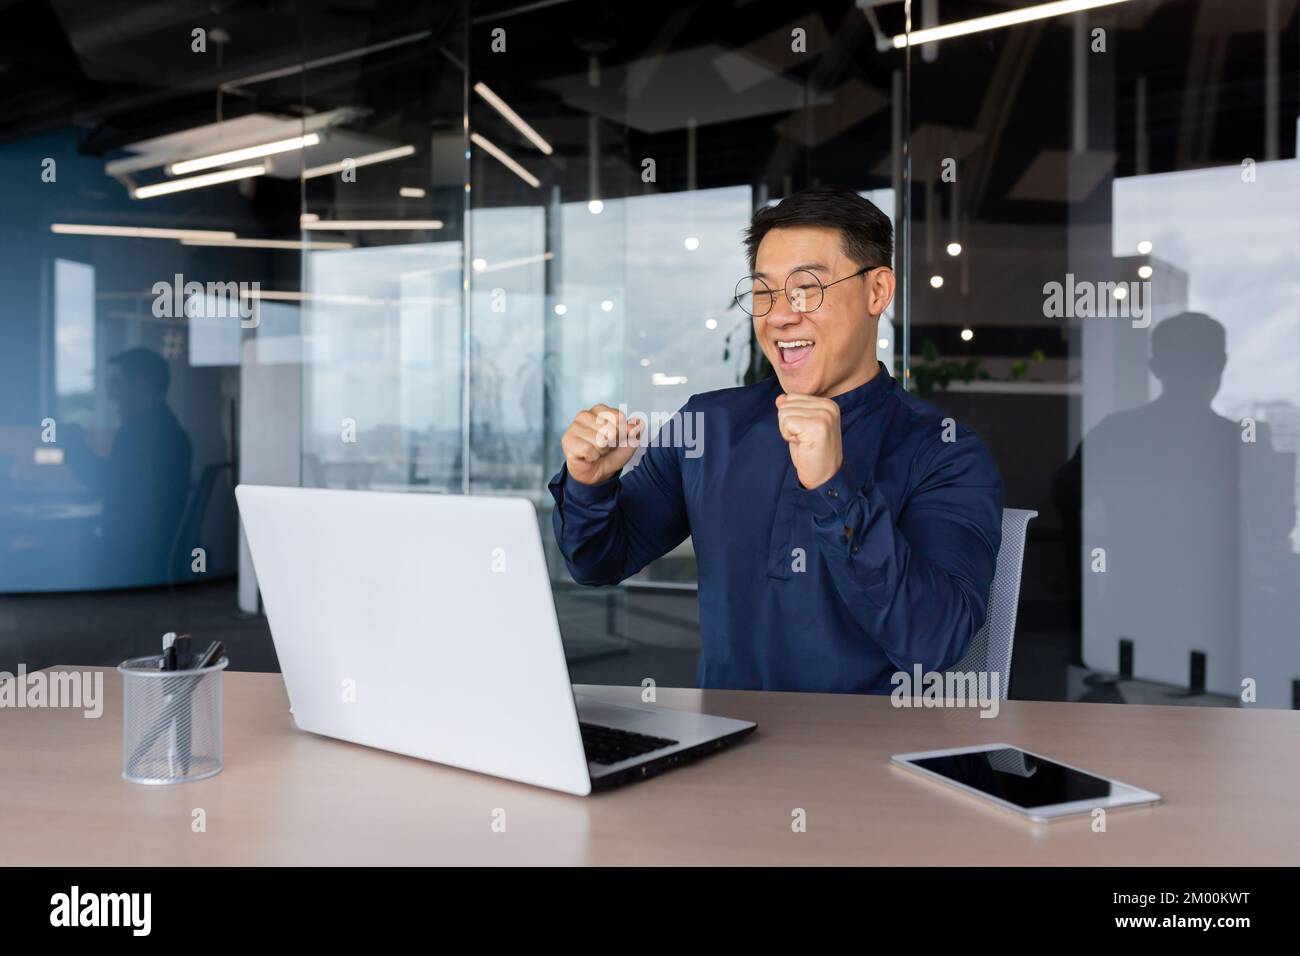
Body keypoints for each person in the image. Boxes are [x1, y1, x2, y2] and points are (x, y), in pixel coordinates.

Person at [549, 187, 1002, 693]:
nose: (780, 314)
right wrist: (590, 484)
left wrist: (834, 489)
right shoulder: (710, 425)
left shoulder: (944, 451)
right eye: (763, 293)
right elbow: (597, 562)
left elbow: (935, 642)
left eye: (807, 288)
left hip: (872, 754)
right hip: (725, 740)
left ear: (878, 292)